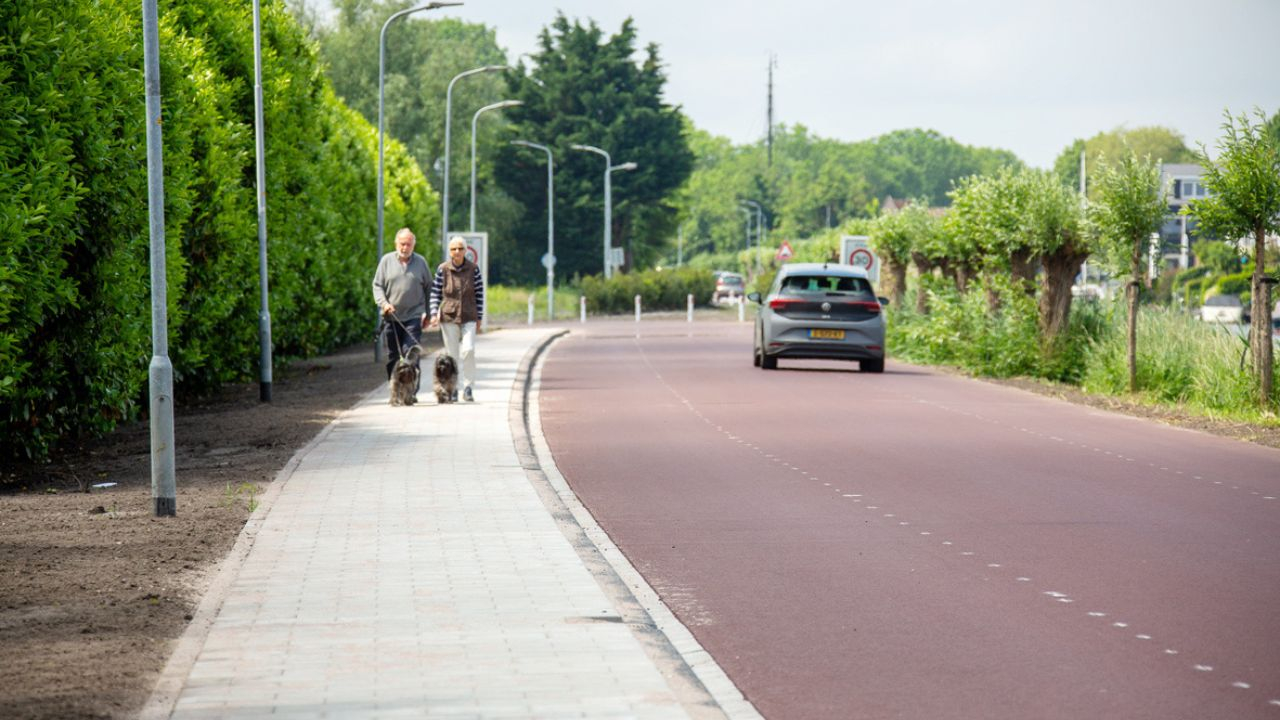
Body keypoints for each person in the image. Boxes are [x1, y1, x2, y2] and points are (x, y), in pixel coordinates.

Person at [429, 235, 485, 402]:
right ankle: (452, 388)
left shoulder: (473, 269)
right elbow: (435, 292)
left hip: (469, 315)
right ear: (450, 251)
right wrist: (433, 312)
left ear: (465, 250)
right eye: (454, 249)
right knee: (451, 355)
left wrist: (480, 317)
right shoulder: (443, 269)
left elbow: (479, 294)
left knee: (468, 350)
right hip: (449, 315)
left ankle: (468, 387)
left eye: (460, 248)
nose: (457, 252)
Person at [372, 228, 431, 384]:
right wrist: (384, 304)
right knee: (393, 355)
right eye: (402, 244)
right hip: (391, 316)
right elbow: (377, 286)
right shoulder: (386, 261)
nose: (405, 248)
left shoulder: (421, 262)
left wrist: (428, 314)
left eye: (409, 244)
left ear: (413, 245)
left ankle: (411, 389)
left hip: (413, 315)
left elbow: (428, 288)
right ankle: (395, 388)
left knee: (410, 352)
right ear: (396, 243)